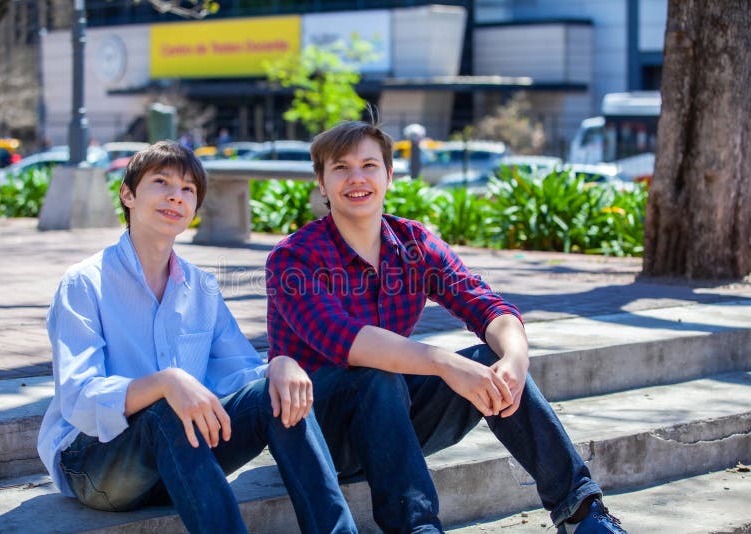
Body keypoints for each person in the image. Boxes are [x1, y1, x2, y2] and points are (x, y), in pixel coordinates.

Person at [265, 120, 627, 534]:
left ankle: (582, 513)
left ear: (389, 175)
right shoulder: (293, 259)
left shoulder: (413, 244)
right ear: (322, 182)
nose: (357, 178)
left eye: (369, 165)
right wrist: (443, 363)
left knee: (490, 360)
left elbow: (485, 304)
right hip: (319, 432)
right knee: (376, 378)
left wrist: (515, 357)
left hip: (392, 424)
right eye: (341, 168)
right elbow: (345, 340)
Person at [37, 141, 356, 534]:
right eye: (161, 182)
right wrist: (166, 382)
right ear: (128, 194)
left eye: (188, 189)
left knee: (274, 391)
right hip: (96, 465)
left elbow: (239, 374)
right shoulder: (84, 283)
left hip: (181, 459)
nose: (176, 195)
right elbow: (79, 398)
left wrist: (279, 365)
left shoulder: (200, 287)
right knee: (167, 404)